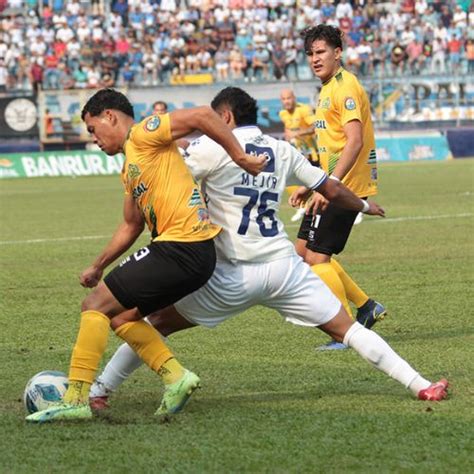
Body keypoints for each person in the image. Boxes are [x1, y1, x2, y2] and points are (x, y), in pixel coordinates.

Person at [89, 87, 448, 410]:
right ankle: (421, 385)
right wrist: (365, 206)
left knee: (156, 322)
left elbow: (167, 164)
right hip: (282, 268)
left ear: (224, 117)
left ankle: (100, 389)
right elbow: (331, 189)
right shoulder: (282, 150)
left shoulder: (212, 147)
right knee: (348, 330)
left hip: (229, 273)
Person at [26, 88, 266, 423]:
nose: (93, 138)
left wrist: (239, 157)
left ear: (109, 116)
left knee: (94, 306)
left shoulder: (145, 132)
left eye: (93, 129)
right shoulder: (130, 166)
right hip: (189, 254)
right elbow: (130, 224)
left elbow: (202, 115)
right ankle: (176, 377)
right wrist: (98, 266)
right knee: (122, 317)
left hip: (182, 247)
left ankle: (76, 398)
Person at [294, 25, 386, 351]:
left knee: (317, 258)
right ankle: (365, 307)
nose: (315, 59)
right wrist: (311, 185)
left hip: (344, 185)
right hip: (329, 183)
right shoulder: (327, 87)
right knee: (302, 253)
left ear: (338, 52)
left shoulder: (345, 87)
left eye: (321, 52)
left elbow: (354, 141)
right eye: (310, 54)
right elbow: (332, 147)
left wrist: (329, 185)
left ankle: (345, 331)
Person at [279, 88, 318, 222]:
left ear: (294, 98)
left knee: (318, 184)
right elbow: (287, 130)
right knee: (287, 178)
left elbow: (315, 127)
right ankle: (302, 206)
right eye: (283, 99)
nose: (286, 101)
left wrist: (298, 134)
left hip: (311, 152)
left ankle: (353, 207)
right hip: (297, 153)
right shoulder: (283, 114)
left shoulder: (304, 109)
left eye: (288, 98)